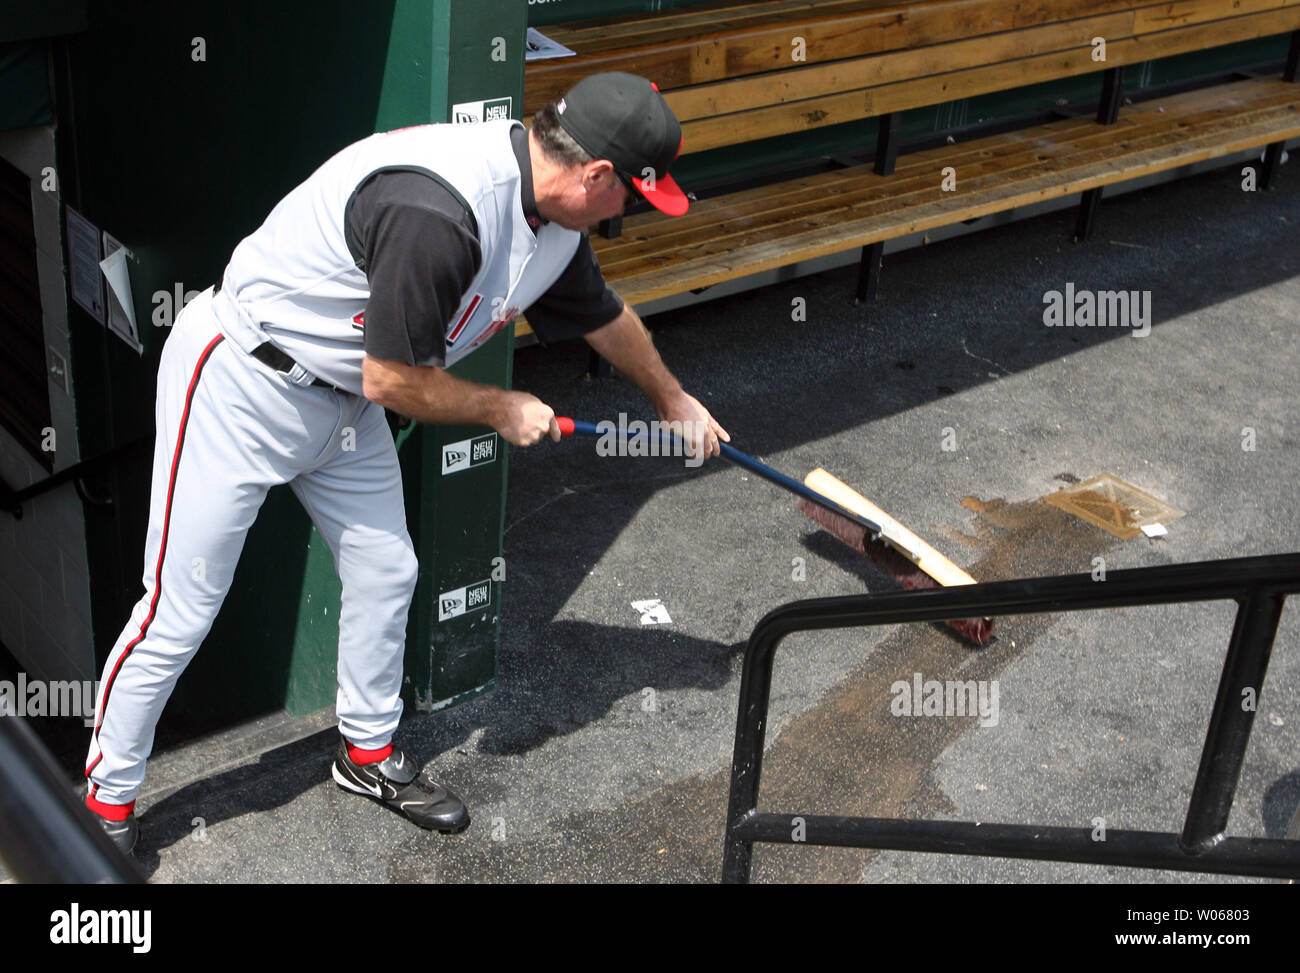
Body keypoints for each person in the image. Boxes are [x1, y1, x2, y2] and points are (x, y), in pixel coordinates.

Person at [83, 72, 729, 854]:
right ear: (594, 174)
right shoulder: (444, 209)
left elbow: (603, 315)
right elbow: (392, 380)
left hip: (342, 404)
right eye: (631, 192)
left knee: (388, 569)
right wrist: (500, 408)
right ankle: (104, 804)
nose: (630, 209)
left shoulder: (554, 218)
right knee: (179, 609)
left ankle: (366, 754)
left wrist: (672, 398)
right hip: (243, 380)